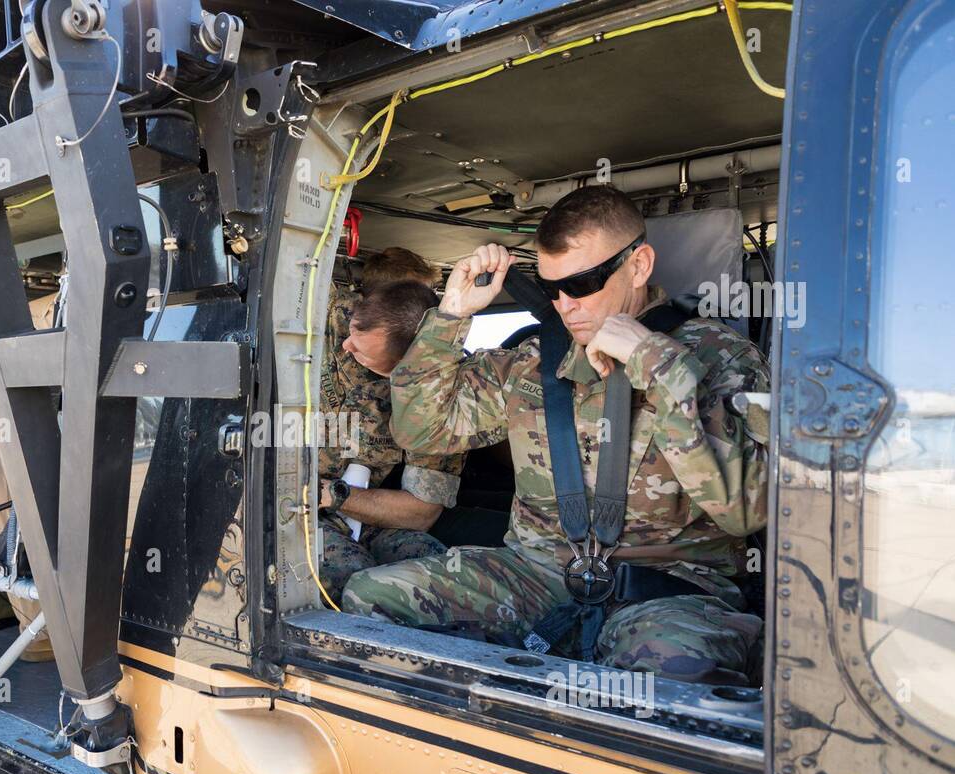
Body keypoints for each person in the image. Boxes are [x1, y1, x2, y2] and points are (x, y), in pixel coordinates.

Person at [343, 185, 769, 685]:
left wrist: (656, 363)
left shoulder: (718, 357)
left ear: (639, 264)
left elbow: (745, 511)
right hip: (539, 574)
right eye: (552, 289)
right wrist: (452, 316)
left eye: (584, 282)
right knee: (370, 598)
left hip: (670, 590)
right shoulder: (534, 360)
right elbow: (422, 428)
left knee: (672, 669)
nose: (567, 306)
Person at [318, 248, 465, 598]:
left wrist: (335, 495)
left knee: (437, 575)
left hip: (363, 513)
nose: (347, 345)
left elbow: (421, 512)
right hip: (293, 513)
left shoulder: (441, 389)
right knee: (355, 579)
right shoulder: (329, 315)